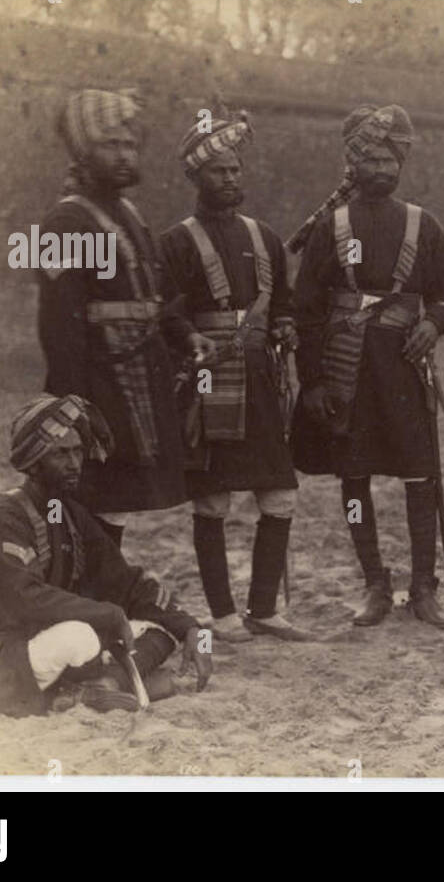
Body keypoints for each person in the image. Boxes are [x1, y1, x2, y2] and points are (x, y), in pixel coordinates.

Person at [292, 103, 444, 629]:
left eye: (393, 161)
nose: (385, 170)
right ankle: (374, 581)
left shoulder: (422, 224)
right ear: (354, 164)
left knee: (421, 477)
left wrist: (432, 324)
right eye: (373, 160)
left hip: (403, 370)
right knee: (354, 478)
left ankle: (423, 586)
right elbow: (306, 307)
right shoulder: (331, 227)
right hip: (346, 371)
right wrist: (314, 381)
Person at [0, 394, 212, 719]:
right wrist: (105, 615)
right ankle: (104, 687)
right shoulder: (1, 518)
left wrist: (191, 629)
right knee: (81, 635)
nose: (74, 463)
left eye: (77, 452)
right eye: (61, 454)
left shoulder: (68, 514)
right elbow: (23, 602)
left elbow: (125, 582)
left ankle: (101, 688)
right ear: (34, 462)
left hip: (38, 646)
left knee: (158, 627)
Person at [37, 88, 213, 547]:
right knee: (97, 494)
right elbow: (59, 327)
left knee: (118, 499)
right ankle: (87, 597)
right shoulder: (65, 222)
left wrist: (186, 336)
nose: (123, 155)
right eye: (110, 145)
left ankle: (101, 592)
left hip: (143, 373)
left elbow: (156, 296)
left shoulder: (130, 213)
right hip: (101, 383)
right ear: (82, 150)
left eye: (130, 145)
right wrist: (73, 406)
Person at [161, 107, 306, 644]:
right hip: (210, 381)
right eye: (219, 171)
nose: (230, 179)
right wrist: (188, 337)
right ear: (197, 176)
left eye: (236, 169)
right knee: (213, 500)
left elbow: (284, 304)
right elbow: (166, 311)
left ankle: (264, 609)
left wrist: (286, 325)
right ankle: (222, 616)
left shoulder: (263, 236)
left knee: (279, 497)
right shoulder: (176, 243)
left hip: (262, 380)